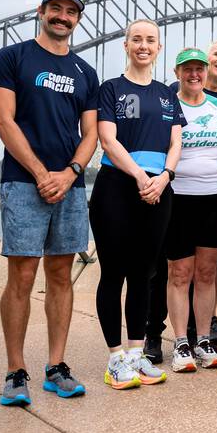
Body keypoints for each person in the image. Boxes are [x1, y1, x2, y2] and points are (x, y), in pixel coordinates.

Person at [0, 0, 99, 406]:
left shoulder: (85, 72)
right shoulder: (13, 58)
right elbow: (3, 120)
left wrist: (69, 174)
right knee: (20, 276)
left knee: (60, 274)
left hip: (68, 186)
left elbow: (90, 134)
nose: (63, 17)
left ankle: (56, 367)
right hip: (23, 182)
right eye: (56, 9)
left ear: (77, 20)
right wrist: (40, 174)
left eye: (71, 12)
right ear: (41, 12)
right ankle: (16, 372)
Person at [89, 19, 181, 390]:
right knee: (113, 273)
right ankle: (114, 359)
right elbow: (107, 140)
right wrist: (141, 177)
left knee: (145, 275)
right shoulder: (110, 89)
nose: (144, 45)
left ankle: (136, 353)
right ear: (125, 45)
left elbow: (175, 142)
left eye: (151, 40)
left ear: (159, 48)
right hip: (118, 186)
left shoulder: (167, 94)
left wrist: (165, 177)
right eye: (137, 40)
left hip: (159, 190)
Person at [144, 38, 217, 362]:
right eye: (188, 69)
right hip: (178, 197)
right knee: (180, 272)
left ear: (205, 71)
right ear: (177, 72)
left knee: (207, 273)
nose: (194, 74)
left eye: (199, 68)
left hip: (216, 197)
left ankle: (203, 342)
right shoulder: (167, 105)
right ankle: (181, 342)